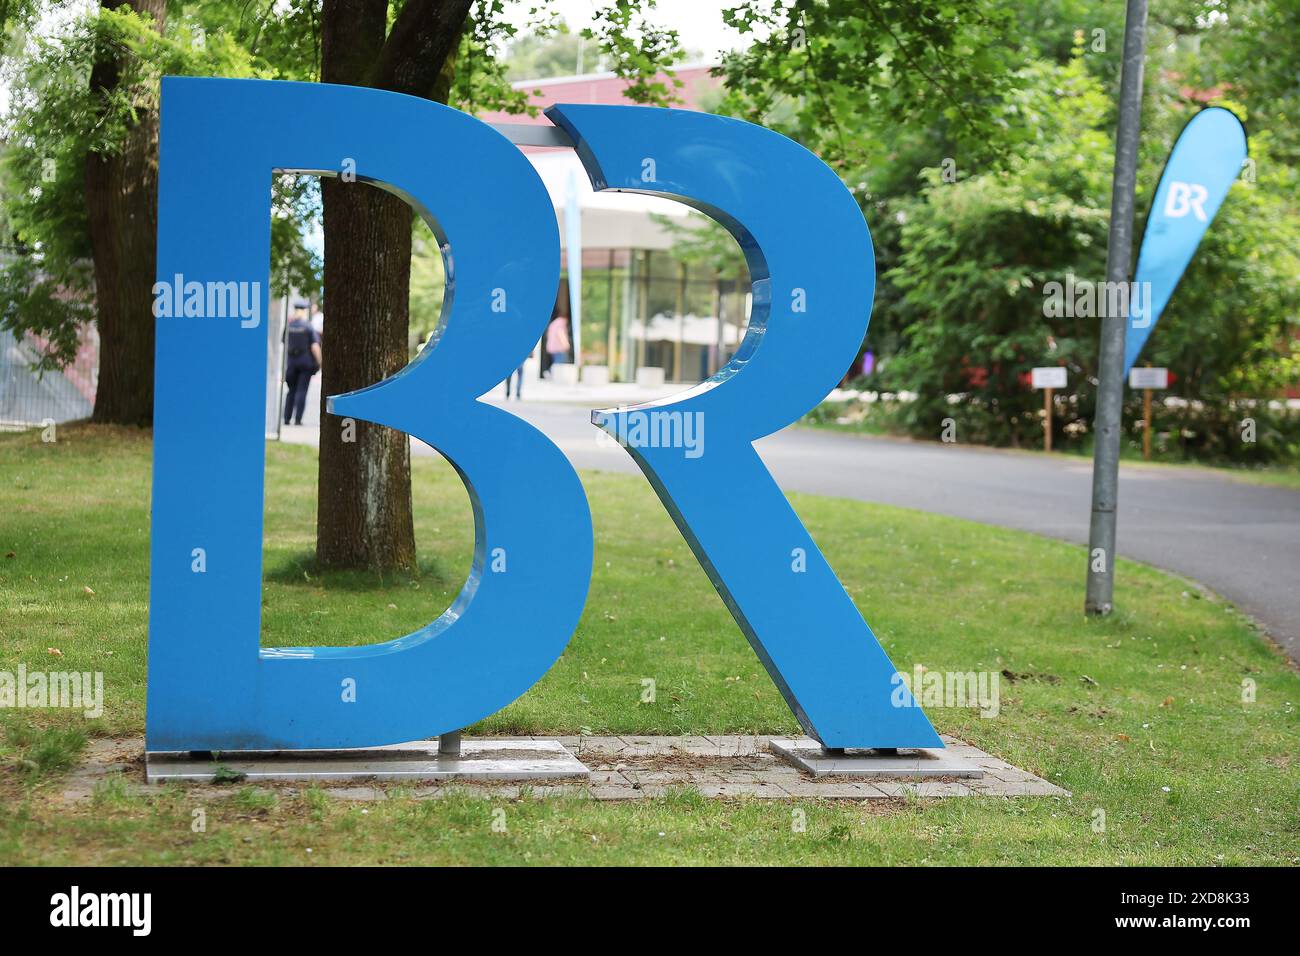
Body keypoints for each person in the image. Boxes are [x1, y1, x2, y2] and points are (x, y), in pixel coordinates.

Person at [283, 301, 321, 426]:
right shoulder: (308, 327)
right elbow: (315, 347)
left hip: (291, 363)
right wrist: (320, 362)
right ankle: (298, 419)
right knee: (302, 391)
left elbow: (284, 343)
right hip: (305, 364)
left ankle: (287, 418)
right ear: (305, 311)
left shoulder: (289, 326)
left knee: (291, 390)